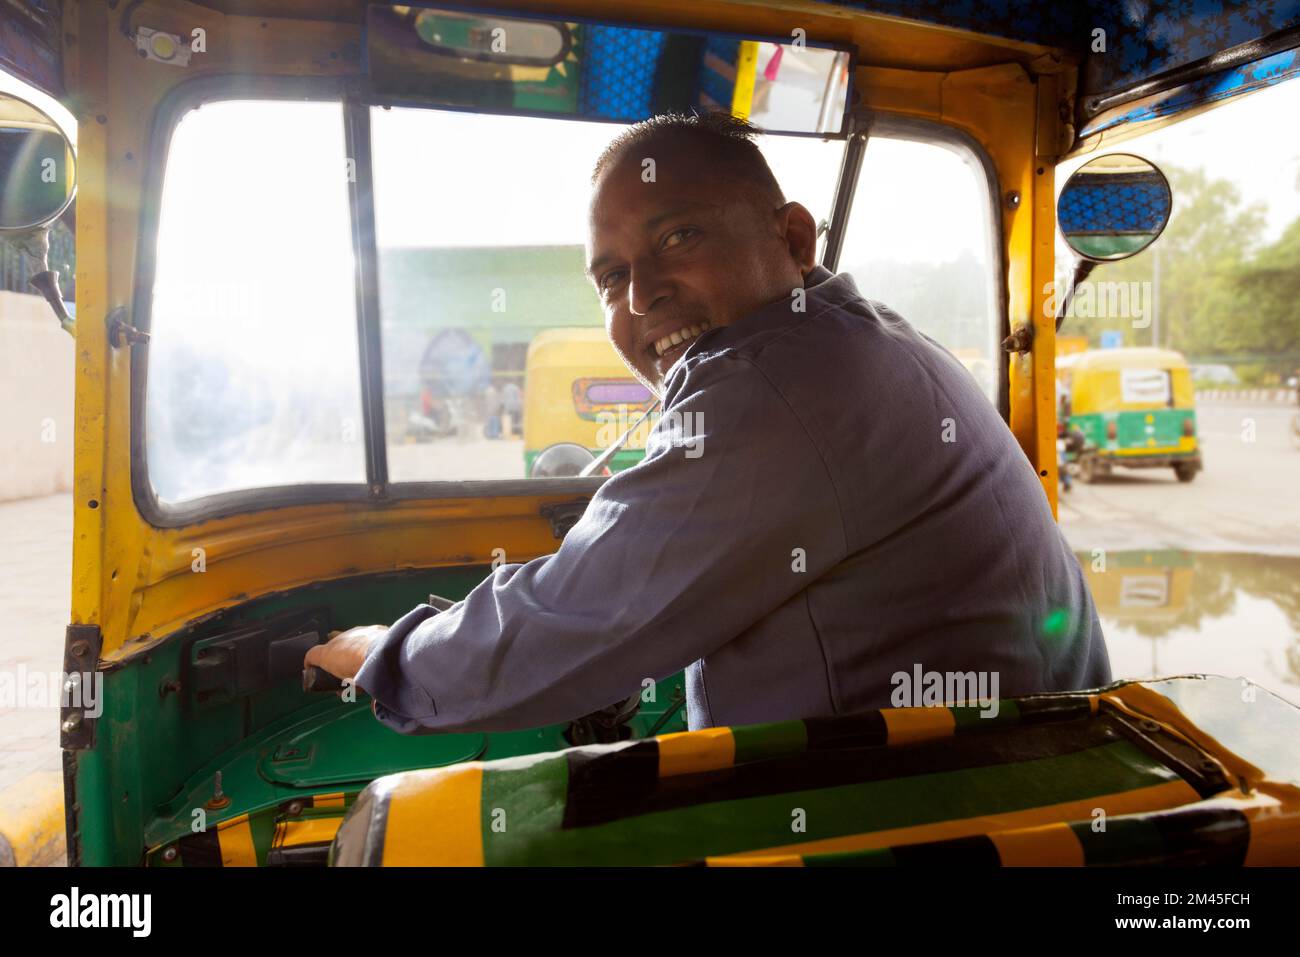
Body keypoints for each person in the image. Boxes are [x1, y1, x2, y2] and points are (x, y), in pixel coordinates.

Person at [306, 112, 1110, 733]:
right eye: (612, 276)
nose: (642, 295)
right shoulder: (861, 338)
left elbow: (561, 632)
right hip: (1011, 783)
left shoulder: (774, 384)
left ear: (792, 238)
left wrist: (386, 653)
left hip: (916, 820)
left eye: (679, 236)